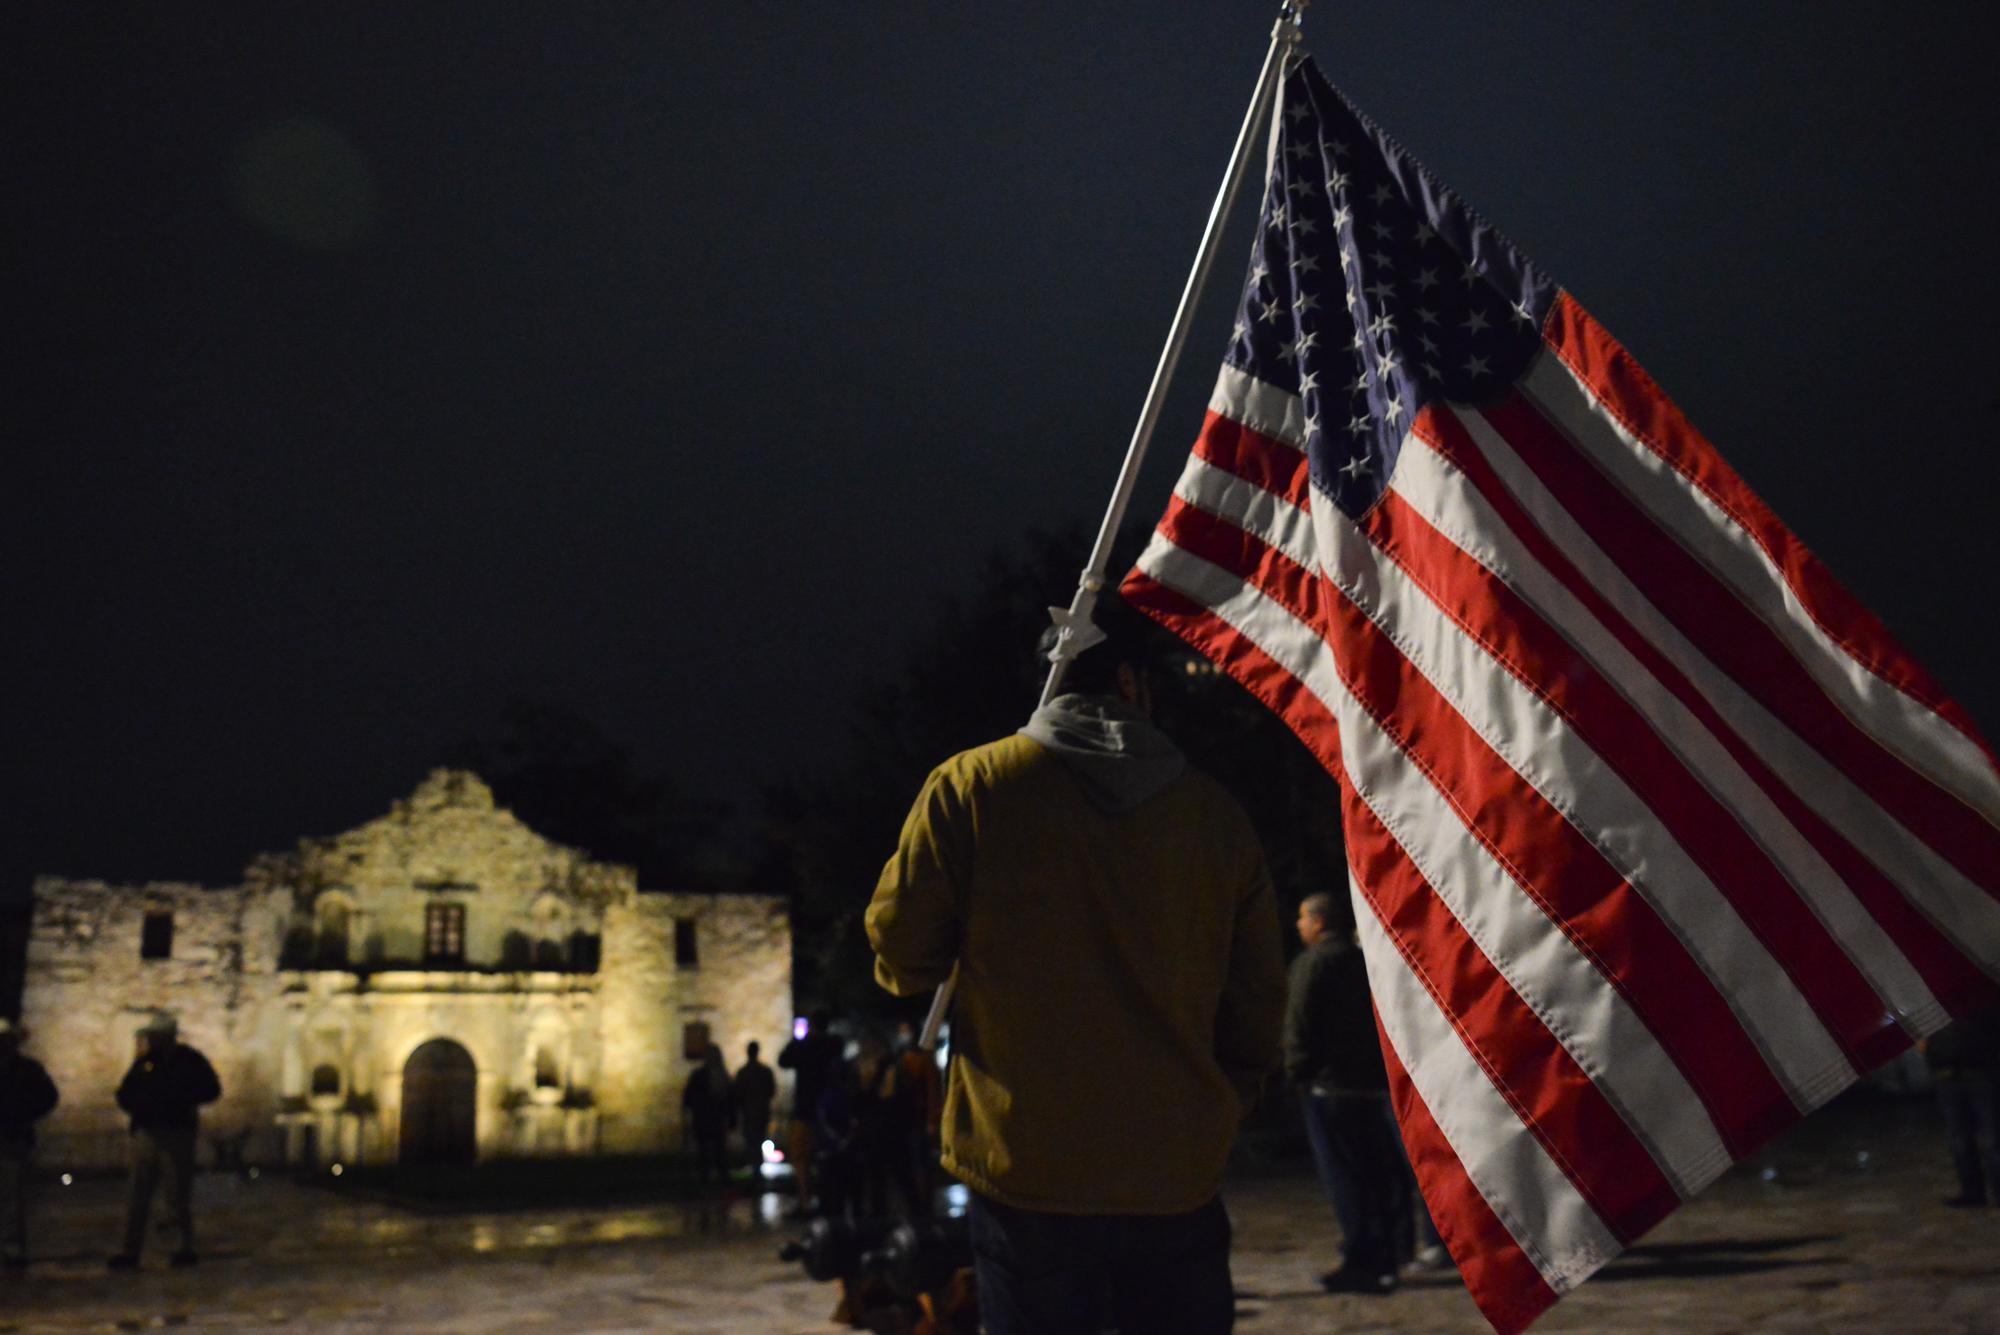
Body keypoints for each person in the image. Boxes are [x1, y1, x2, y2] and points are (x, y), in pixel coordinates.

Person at [866, 593, 1287, 1335]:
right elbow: (1257, 996)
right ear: (1130, 684)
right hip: (1174, 1164)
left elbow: (901, 953)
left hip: (1026, 1163)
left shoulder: (970, 790)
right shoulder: (1217, 819)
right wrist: (1228, 1103)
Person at [1284, 893, 1410, 1295]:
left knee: (1346, 1179)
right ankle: (1388, 1254)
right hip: (1371, 1085)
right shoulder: (1364, 960)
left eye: (1302, 918)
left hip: (1329, 1088)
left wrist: (1296, 1072)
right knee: (1378, 1174)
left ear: (1319, 922)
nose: (1298, 926)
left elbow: (1299, 1024)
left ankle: (1361, 1259)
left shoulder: (1313, 963)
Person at [110, 1013, 220, 1269]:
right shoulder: (145, 1062)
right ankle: (131, 1249)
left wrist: (179, 1101)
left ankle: (182, 1247)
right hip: (148, 1132)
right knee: (138, 1193)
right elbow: (125, 1093)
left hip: (177, 1133)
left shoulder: (190, 1061)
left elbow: (211, 1089)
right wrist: (142, 1108)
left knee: (177, 1194)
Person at [1921, 1001, 2000, 1207]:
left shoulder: (1978, 992)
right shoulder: (1931, 998)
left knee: (1993, 1138)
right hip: (1947, 1072)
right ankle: (1972, 1191)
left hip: (1981, 1069)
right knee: (1959, 1138)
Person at [0, 1018, 59, 1272]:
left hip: (13, 1139)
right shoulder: (27, 1069)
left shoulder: (27, 1069)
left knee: (12, 1198)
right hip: (13, 1137)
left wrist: (23, 1115)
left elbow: (47, 1097)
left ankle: (12, 1249)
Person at [779, 1011, 841, 1214]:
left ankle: (805, 1200)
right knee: (823, 1156)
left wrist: (798, 1039)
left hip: (805, 1108)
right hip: (827, 1108)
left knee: (801, 1157)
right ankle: (826, 1199)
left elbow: (783, 1060)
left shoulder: (804, 1045)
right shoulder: (832, 1045)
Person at [681, 1040, 735, 1187]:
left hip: (705, 1119)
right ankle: (720, 1182)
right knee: (717, 1153)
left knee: (707, 1153)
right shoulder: (722, 1076)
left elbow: (688, 1099)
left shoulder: (699, 1075)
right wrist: (731, 1119)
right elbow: (730, 1100)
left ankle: (707, 1182)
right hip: (713, 1119)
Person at [731, 1040, 778, 1168]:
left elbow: (737, 1094)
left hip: (748, 1112)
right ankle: (757, 1168)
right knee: (759, 1139)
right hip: (761, 1112)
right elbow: (771, 1091)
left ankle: (754, 1169)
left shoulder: (743, 1072)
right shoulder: (764, 1071)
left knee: (751, 1141)